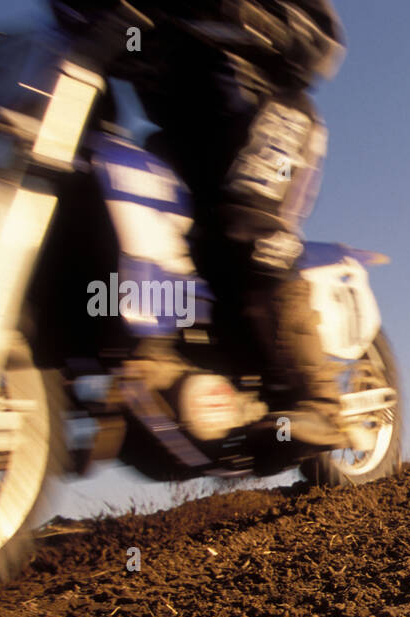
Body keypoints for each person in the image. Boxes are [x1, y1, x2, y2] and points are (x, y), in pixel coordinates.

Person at [51, 0, 348, 447]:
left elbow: (321, 40)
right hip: (179, 142)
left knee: (248, 228)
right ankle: (163, 360)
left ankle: (321, 404)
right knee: (114, 198)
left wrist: (240, 12)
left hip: (267, 112)